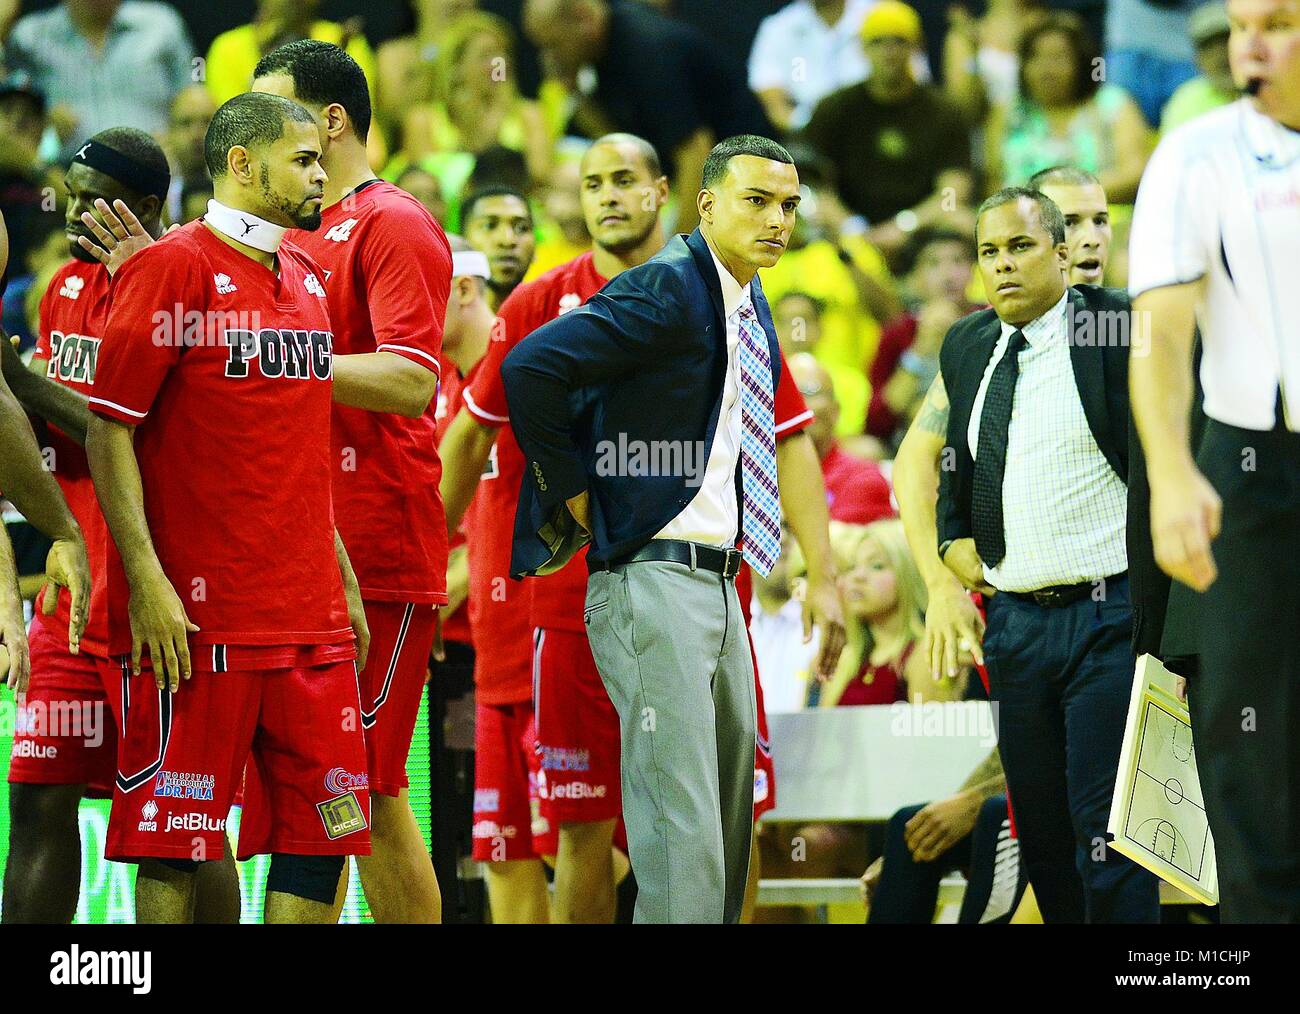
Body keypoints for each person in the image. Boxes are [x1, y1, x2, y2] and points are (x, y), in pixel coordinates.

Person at [501, 135, 846, 923]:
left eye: (789, 206)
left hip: (722, 580)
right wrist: (576, 496)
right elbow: (531, 369)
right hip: (653, 579)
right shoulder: (664, 288)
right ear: (707, 203)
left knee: (726, 828)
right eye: (757, 201)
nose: (776, 220)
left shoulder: (744, 296)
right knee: (679, 828)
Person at [83, 91, 372, 924]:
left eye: (322, 158)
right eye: (304, 160)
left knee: (325, 841)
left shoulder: (311, 274)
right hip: (198, 625)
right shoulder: (172, 267)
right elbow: (110, 432)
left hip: (308, 620)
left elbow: (298, 448)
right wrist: (145, 579)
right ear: (243, 165)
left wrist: (341, 579)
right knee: (174, 843)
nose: (322, 174)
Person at [1, 128, 240, 925]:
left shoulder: (186, 284)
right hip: (76, 588)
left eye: (87, 199)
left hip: (160, 590)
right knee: (37, 794)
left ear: (144, 207)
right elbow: (60, 440)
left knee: (185, 824)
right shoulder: (65, 288)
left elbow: (128, 427)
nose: (67, 213)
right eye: (63, 195)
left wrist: (20, 385)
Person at [247, 39, 453, 924]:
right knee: (336, 785)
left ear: (329, 122)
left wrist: (287, 355)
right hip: (296, 544)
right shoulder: (286, 234)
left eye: (273, 114)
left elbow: (414, 377)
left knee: (358, 786)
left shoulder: (393, 221)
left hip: (379, 539)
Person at [929, 187, 1161, 923]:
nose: (1002, 265)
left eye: (1021, 247)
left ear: (1062, 254)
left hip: (1110, 617)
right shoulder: (966, 344)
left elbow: (1162, 457)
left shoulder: (1116, 327)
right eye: (989, 252)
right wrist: (947, 534)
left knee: (1108, 830)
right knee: (1046, 841)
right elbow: (955, 462)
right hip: (1014, 626)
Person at [1127, 0, 1300, 922]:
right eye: (1239, 26)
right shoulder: (1195, 152)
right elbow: (1157, 328)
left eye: (1277, 21)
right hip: (1251, 467)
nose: (1251, 45)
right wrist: (1172, 472)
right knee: (1252, 735)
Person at [523, 0, 772, 233]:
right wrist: (575, 93)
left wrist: (680, 256)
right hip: (687, 178)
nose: (548, 58)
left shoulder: (647, 51)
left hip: (748, 178)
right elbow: (620, 143)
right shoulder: (600, 49)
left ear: (583, 18)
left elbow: (695, 152)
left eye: (553, 44)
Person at [802, 1, 974, 258]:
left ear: (917, 47)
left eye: (899, 41)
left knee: (964, 220)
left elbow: (951, 193)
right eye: (878, 42)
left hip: (923, 234)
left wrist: (905, 226)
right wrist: (851, 227)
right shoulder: (835, 108)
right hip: (845, 233)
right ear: (862, 48)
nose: (889, 51)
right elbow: (810, 184)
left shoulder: (943, 111)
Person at [985, 14, 1152, 202]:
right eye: (1035, 57)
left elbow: (1134, 173)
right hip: (1022, 223)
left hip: (1103, 221)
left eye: (1058, 58)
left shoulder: (1113, 104)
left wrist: (1064, 198)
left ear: (1081, 62)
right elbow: (993, 183)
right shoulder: (1008, 112)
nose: (1047, 70)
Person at [2, 0, 195, 161]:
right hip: (64, 182)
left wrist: (177, 139)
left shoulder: (161, 26)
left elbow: (194, 100)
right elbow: (10, 122)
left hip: (155, 174)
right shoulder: (29, 38)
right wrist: (46, 128)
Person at [394, 12, 552, 187]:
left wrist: (497, 113)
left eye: (503, 54)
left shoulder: (530, 114)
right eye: (486, 55)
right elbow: (425, 184)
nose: (499, 64)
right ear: (457, 67)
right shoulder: (422, 119)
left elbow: (540, 174)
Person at [868, 225, 980, 444]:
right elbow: (878, 421)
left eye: (958, 261)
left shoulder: (990, 319)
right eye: (934, 264)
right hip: (910, 443)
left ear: (974, 271)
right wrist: (921, 348)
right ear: (915, 277)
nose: (948, 275)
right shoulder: (898, 332)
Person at [789, 354, 895, 525]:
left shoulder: (863, 480)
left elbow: (833, 546)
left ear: (834, 411)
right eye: (785, 394)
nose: (795, 404)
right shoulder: (754, 479)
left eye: (809, 391)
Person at [748, 0, 874, 132]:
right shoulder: (778, 27)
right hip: (808, 132)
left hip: (872, 124)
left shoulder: (877, 15)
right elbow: (774, 101)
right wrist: (802, 130)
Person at [1160, 3, 1238, 132]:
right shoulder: (1186, 101)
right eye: (1208, 47)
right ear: (1197, 59)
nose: (1220, 55)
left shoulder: (1267, 93)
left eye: (1225, 41)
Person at [460, 186, 537, 311]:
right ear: (461, 240)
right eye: (489, 225)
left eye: (521, 228)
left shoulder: (556, 321)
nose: (507, 240)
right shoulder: (442, 324)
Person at [161, 86, 216, 224]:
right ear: (169, 131)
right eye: (186, 123)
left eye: (206, 121)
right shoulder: (156, 193)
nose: (196, 134)